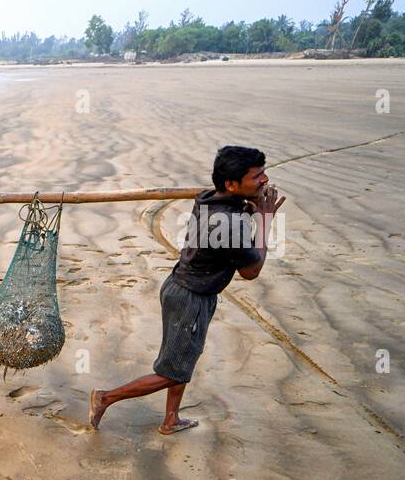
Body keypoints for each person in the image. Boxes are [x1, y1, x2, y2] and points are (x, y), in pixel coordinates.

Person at [89, 145, 285, 434]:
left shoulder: (208, 197)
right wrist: (266, 220)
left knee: (183, 358)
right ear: (231, 184)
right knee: (172, 371)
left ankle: (170, 419)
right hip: (189, 298)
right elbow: (251, 271)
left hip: (183, 288)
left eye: (263, 174)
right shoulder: (227, 224)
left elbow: (236, 209)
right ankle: (105, 397)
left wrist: (251, 206)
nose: (265, 181)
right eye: (257, 177)